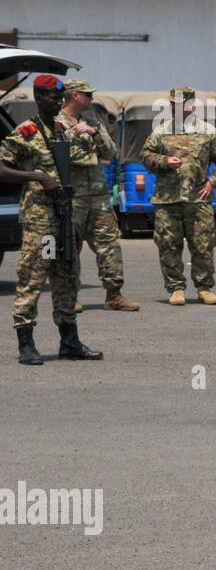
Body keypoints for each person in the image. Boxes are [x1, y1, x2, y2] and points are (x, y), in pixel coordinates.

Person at [0, 74, 102, 364]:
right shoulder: (26, 132)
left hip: (64, 216)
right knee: (34, 276)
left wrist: (93, 134)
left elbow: (102, 153)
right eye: (52, 97)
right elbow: (1, 169)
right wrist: (36, 176)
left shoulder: (60, 130)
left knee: (67, 277)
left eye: (60, 97)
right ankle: (26, 343)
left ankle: (70, 341)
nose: (58, 102)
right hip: (41, 220)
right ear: (38, 97)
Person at [142, 86, 216, 306]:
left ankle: (204, 288)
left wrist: (213, 181)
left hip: (198, 199)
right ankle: (176, 289)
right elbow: (146, 155)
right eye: (172, 104)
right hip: (167, 199)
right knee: (169, 246)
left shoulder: (208, 131)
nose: (175, 108)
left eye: (179, 104)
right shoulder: (161, 130)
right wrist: (164, 162)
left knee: (203, 245)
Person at [57, 79, 139, 312]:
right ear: (74, 96)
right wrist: (82, 147)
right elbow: (61, 159)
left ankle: (114, 294)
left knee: (110, 245)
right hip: (73, 198)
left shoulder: (91, 122)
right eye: (87, 95)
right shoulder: (57, 124)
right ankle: (70, 296)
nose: (91, 99)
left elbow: (112, 152)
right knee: (71, 249)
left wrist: (95, 135)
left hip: (98, 196)